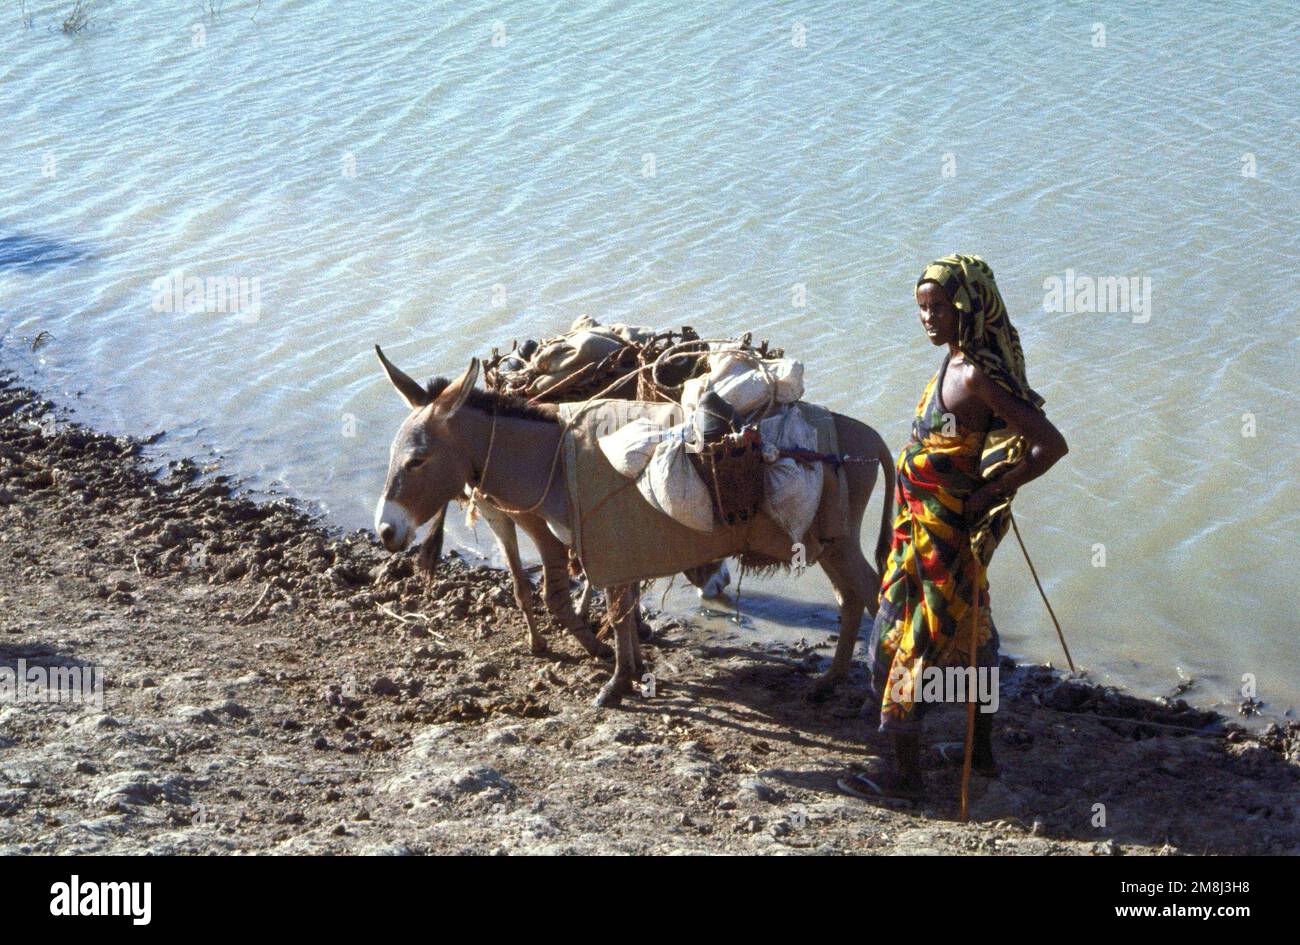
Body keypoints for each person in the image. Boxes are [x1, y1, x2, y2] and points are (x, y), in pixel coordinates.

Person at [842, 255, 1068, 801]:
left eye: (938, 306)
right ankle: (980, 755)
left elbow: (1049, 446)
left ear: (966, 305)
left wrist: (992, 490)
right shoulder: (953, 362)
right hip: (922, 539)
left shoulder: (974, 375)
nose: (928, 317)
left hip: (941, 550)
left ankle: (902, 778)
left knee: (903, 648)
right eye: (921, 308)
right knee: (973, 641)